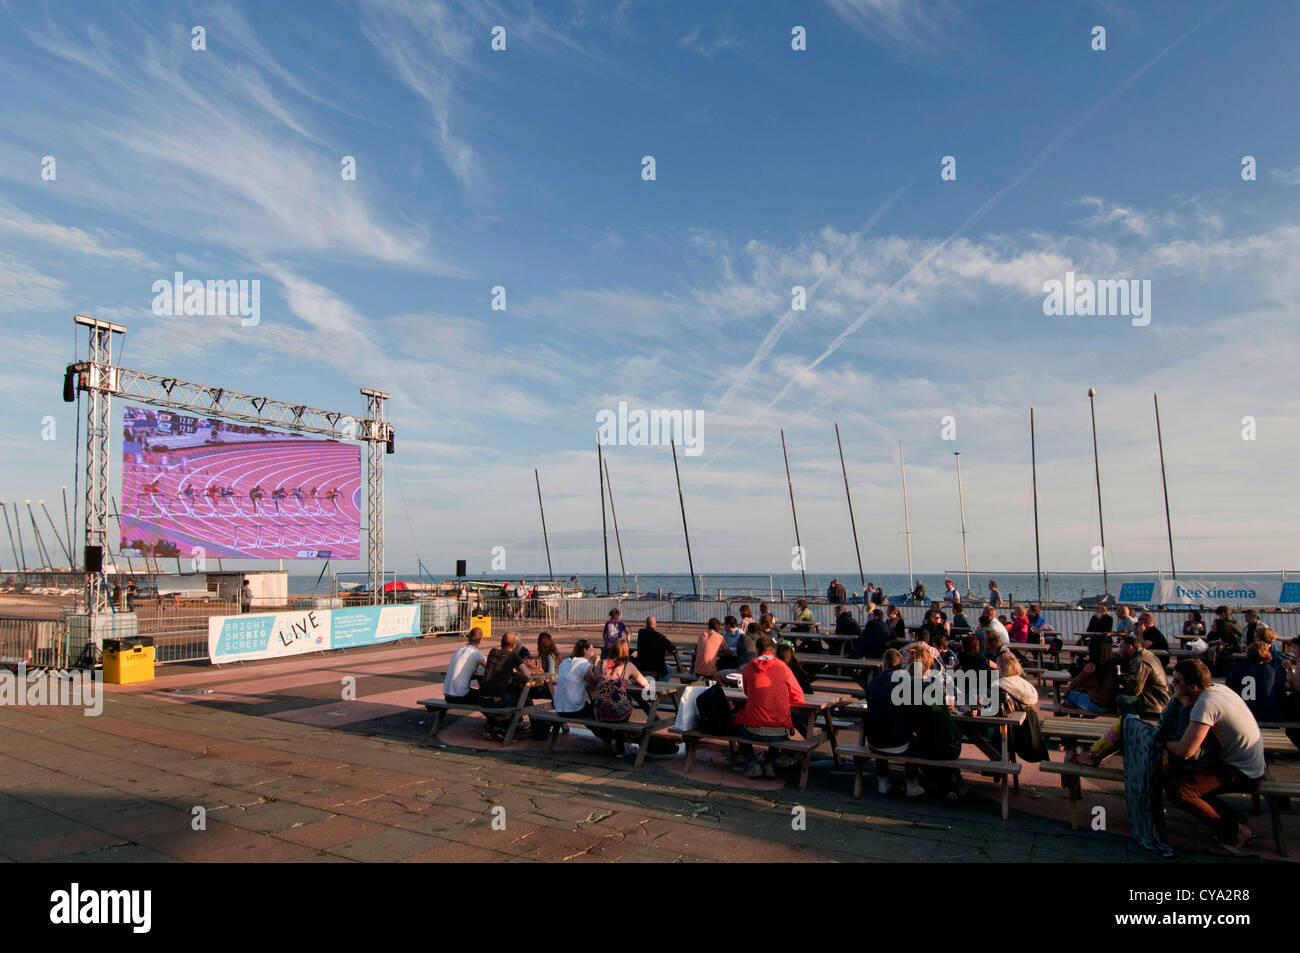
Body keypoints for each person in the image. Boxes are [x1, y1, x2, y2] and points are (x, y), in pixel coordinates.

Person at [1164, 659, 1266, 854]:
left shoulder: (1205, 704)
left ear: (1193, 687)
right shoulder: (1218, 689)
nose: (1172, 684)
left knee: (1178, 790)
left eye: (1177, 681)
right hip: (1252, 765)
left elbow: (1185, 751)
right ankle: (1235, 819)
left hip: (1243, 773)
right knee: (1184, 776)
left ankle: (1234, 831)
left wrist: (1161, 742)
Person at [733, 635, 804, 778]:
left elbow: (747, 692)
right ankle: (770, 762)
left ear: (757, 650)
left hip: (753, 729)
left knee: (735, 723)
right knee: (777, 723)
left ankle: (753, 763)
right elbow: (799, 696)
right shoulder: (783, 667)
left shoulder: (748, 668)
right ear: (773, 650)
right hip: (780, 730)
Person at [588, 638, 650, 756]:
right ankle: (620, 744)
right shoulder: (628, 666)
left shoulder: (602, 663)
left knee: (608, 701)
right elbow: (645, 683)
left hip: (600, 711)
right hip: (618, 713)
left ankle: (610, 739)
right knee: (626, 703)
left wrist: (596, 664)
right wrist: (633, 681)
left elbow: (594, 685)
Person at [479, 632, 533, 739]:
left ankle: (494, 725)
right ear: (514, 646)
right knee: (522, 696)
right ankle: (532, 725)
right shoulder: (513, 655)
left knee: (502, 693)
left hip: (481, 698)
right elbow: (527, 675)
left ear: (501, 642)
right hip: (496, 701)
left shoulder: (493, 652)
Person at [1114, 633, 1170, 718]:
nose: (1119, 651)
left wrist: (1121, 683)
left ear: (1130, 647)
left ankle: (1132, 725)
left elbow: (1135, 690)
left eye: (1121, 647)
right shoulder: (1146, 654)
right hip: (1159, 698)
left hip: (1154, 703)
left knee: (1122, 699)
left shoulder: (1140, 662)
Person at [1226, 642, 1282, 723]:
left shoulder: (1241, 667)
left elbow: (1229, 684)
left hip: (1243, 712)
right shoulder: (1272, 670)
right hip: (1267, 713)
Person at [1063, 634, 1119, 713]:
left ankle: (1072, 719)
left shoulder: (1091, 667)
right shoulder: (1112, 666)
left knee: (1069, 695)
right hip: (1110, 705)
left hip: (1096, 705)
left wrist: (1083, 673)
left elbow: (1074, 684)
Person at [553, 639, 598, 718]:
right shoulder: (584, 663)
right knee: (598, 706)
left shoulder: (564, 662)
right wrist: (596, 665)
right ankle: (605, 730)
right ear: (585, 650)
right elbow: (594, 686)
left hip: (559, 708)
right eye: (591, 650)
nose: (593, 654)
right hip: (574, 709)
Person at [443, 628, 486, 703]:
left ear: (468, 638)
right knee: (485, 697)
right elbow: (490, 668)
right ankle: (495, 714)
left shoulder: (459, 650)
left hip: (447, 695)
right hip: (460, 696)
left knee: (473, 691)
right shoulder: (477, 653)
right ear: (481, 640)